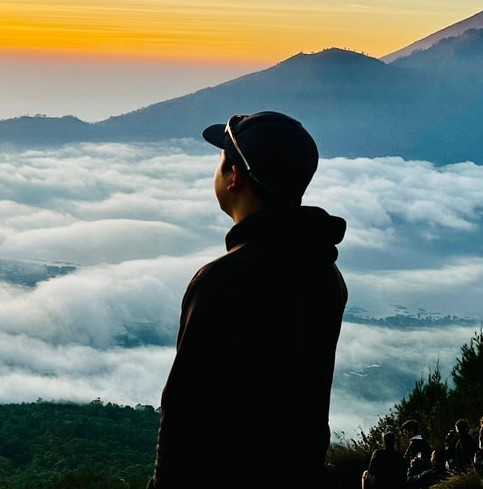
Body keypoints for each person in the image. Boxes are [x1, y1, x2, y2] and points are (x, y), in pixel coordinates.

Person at [148, 112, 348, 488]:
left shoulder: (223, 281)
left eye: (222, 159)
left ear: (235, 177)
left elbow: (183, 421)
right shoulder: (324, 273)